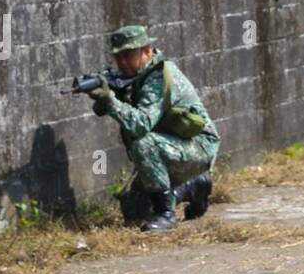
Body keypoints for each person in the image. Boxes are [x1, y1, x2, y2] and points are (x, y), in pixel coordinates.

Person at [90, 25, 218, 232]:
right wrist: (108, 96)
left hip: (199, 147)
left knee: (143, 143)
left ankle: (166, 215)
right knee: (134, 212)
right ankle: (191, 186)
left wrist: (110, 100)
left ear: (148, 51)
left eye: (128, 55)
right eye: (118, 57)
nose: (123, 62)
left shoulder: (158, 77)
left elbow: (140, 125)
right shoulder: (135, 76)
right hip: (173, 145)